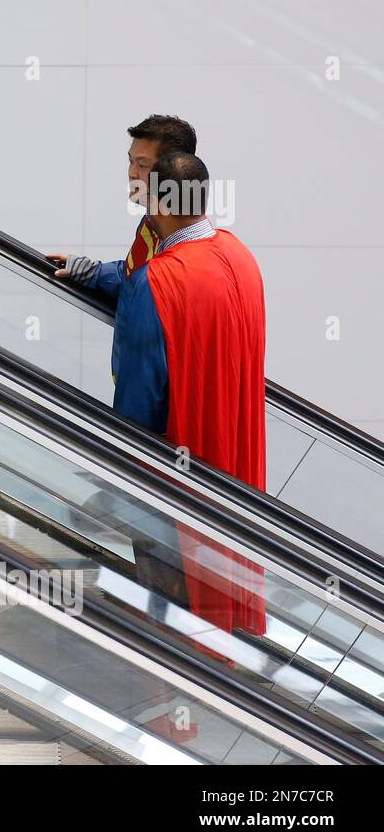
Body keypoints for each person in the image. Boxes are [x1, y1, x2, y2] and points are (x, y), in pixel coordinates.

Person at [109, 152, 268, 636]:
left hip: (172, 485)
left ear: (159, 201)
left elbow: (138, 407)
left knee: (171, 620)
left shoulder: (155, 282)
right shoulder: (240, 257)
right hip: (233, 469)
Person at [47, 114, 198, 302]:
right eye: (130, 161)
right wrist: (92, 272)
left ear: (174, 171)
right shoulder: (152, 221)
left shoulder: (188, 251)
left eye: (142, 165)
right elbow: (133, 279)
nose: (131, 173)